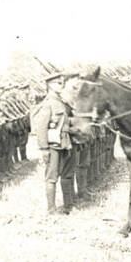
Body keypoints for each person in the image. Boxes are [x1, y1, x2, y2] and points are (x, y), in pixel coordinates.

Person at [31, 72, 74, 214]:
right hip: (53, 145)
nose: (61, 85)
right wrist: (44, 149)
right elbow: (41, 127)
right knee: (52, 177)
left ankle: (69, 205)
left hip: (65, 143)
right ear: (50, 85)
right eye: (58, 83)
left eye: (62, 83)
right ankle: (51, 209)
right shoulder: (48, 103)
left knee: (67, 174)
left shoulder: (62, 102)